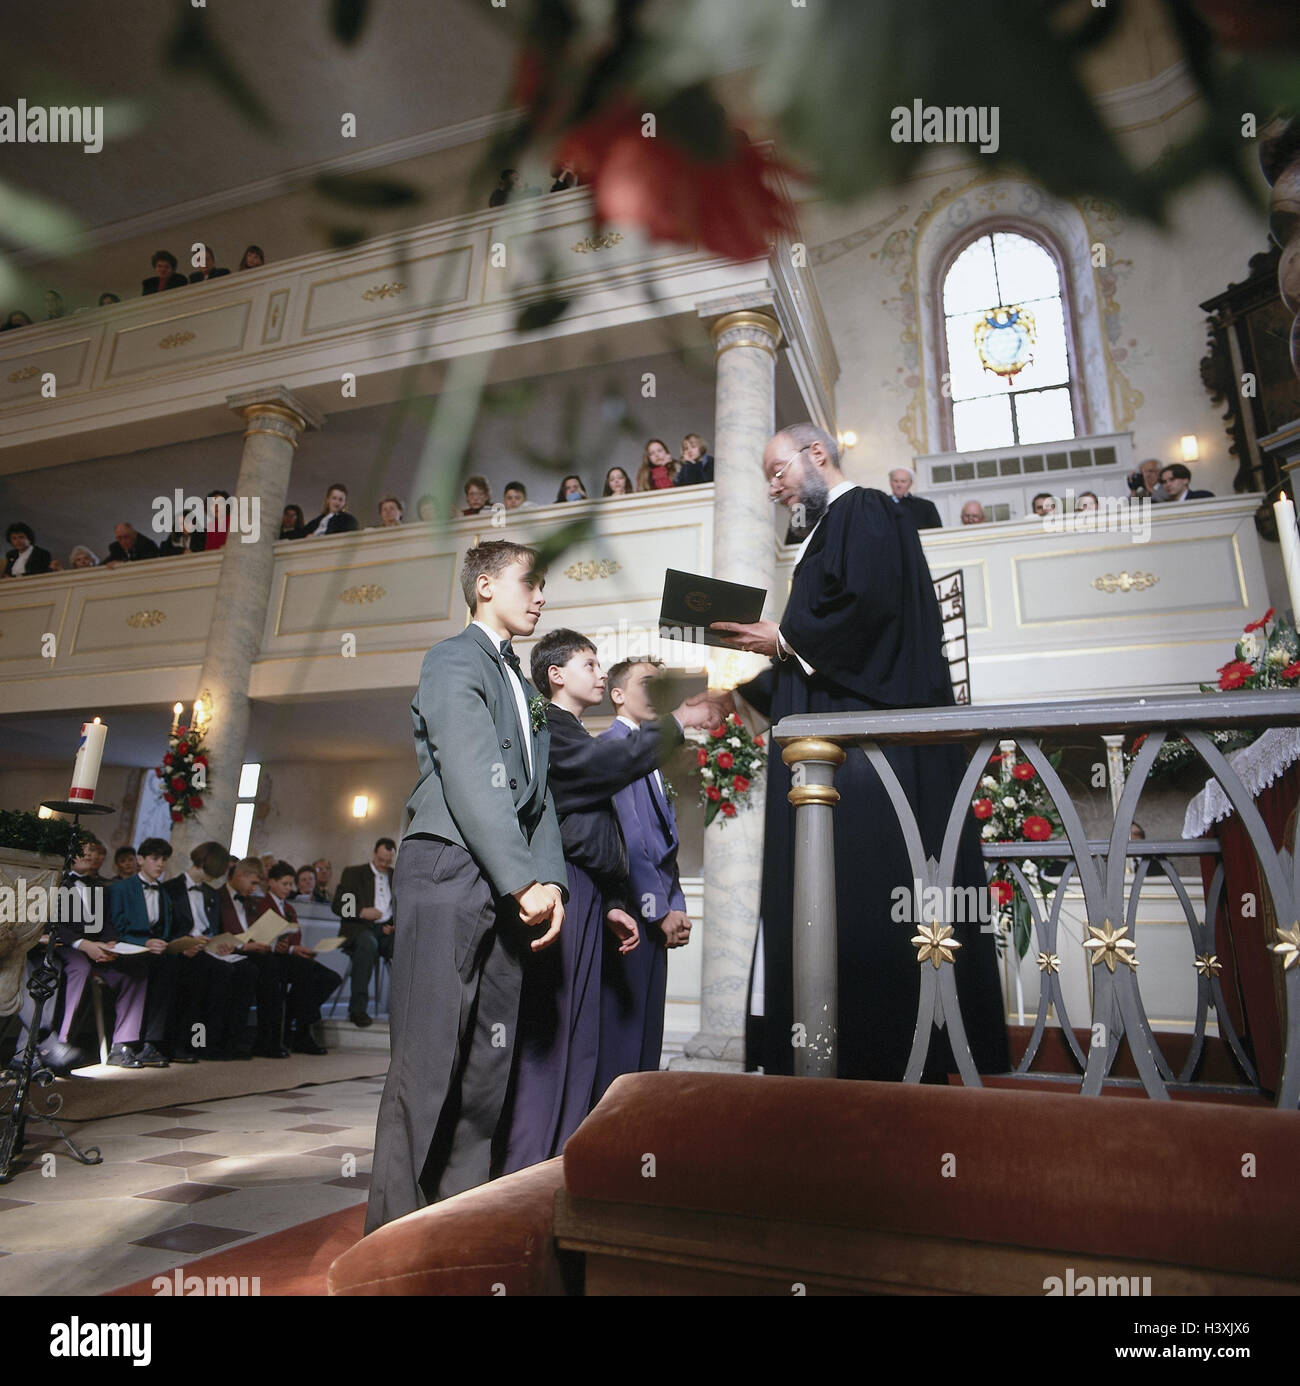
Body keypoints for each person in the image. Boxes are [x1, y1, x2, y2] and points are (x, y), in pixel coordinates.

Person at [709, 423, 1010, 1083]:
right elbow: (820, 664)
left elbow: (867, 612)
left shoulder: (868, 510)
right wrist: (742, 695)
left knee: (865, 910)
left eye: (777, 469)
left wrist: (783, 638)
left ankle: (878, 1062)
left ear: (816, 454)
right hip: (834, 754)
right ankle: (826, 1057)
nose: (773, 486)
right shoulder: (828, 533)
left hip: (871, 767)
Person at [367, 540, 568, 1233]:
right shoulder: (453, 658)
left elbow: (541, 798)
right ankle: (392, 1235)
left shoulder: (527, 692)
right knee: (426, 1062)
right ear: (485, 585)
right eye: (529, 584)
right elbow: (472, 774)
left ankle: (455, 1219)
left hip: (509, 879)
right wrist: (522, 880)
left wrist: (550, 881)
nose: (541, 597)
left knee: (489, 1062)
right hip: (448, 866)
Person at [502, 631, 689, 1173]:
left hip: (591, 889)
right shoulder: (552, 730)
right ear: (555, 674)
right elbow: (603, 823)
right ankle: (532, 1162)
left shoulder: (575, 733)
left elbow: (602, 832)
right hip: (563, 884)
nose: (599, 673)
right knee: (556, 1032)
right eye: (589, 664)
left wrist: (610, 898)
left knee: (581, 1033)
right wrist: (681, 722)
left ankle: (564, 1154)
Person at [593, 658, 692, 1101]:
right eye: (645, 683)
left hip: (655, 910)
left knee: (650, 1028)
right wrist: (657, 909)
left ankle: (637, 1127)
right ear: (617, 694)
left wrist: (678, 906)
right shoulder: (612, 745)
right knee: (623, 1031)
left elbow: (664, 841)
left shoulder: (652, 756)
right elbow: (630, 838)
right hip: (629, 910)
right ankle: (610, 1131)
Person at [160, 840, 256, 1061]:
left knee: (248, 970)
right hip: (182, 950)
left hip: (207, 949)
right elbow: (164, 928)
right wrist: (185, 943)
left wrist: (219, 943)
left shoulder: (211, 893)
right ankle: (194, 1043)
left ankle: (227, 1041)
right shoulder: (170, 889)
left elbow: (213, 929)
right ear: (205, 863)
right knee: (217, 973)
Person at [252, 862, 338, 1054]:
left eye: (290, 884)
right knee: (305, 970)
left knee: (330, 977)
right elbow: (261, 935)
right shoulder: (262, 904)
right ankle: (302, 1032)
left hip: (288, 955)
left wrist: (297, 948)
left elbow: (294, 936)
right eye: (285, 884)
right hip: (270, 957)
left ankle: (292, 1015)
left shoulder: (289, 908)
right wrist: (291, 948)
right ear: (271, 883)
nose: (288, 888)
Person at [332, 839, 397, 1027]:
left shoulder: (395, 876)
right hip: (359, 928)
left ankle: (406, 1009)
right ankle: (358, 1009)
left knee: (409, 945)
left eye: (388, 861)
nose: (384, 865)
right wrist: (362, 911)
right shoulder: (354, 874)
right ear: (374, 854)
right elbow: (339, 906)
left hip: (385, 931)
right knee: (367, 945)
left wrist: (393, 924)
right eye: (381, 860)